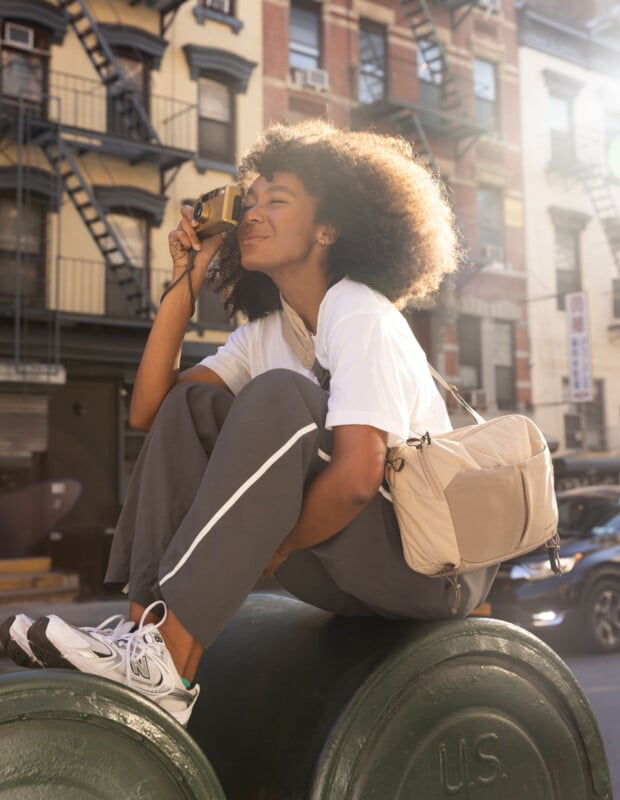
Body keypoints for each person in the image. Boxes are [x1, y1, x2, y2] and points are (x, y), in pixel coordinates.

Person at [0, 120, 497, 727]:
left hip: (428, 567)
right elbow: (152, 412)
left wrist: (273, 546)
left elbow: (358, 478)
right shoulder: (266, 334)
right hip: (349, 568)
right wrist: (187, 278)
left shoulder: (358, 308)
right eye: (250, 201)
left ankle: (170, 666)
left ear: (328, 228)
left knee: (280, 398)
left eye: (277, 201)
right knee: (193, 405)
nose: (252, 215)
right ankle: (139, 637)